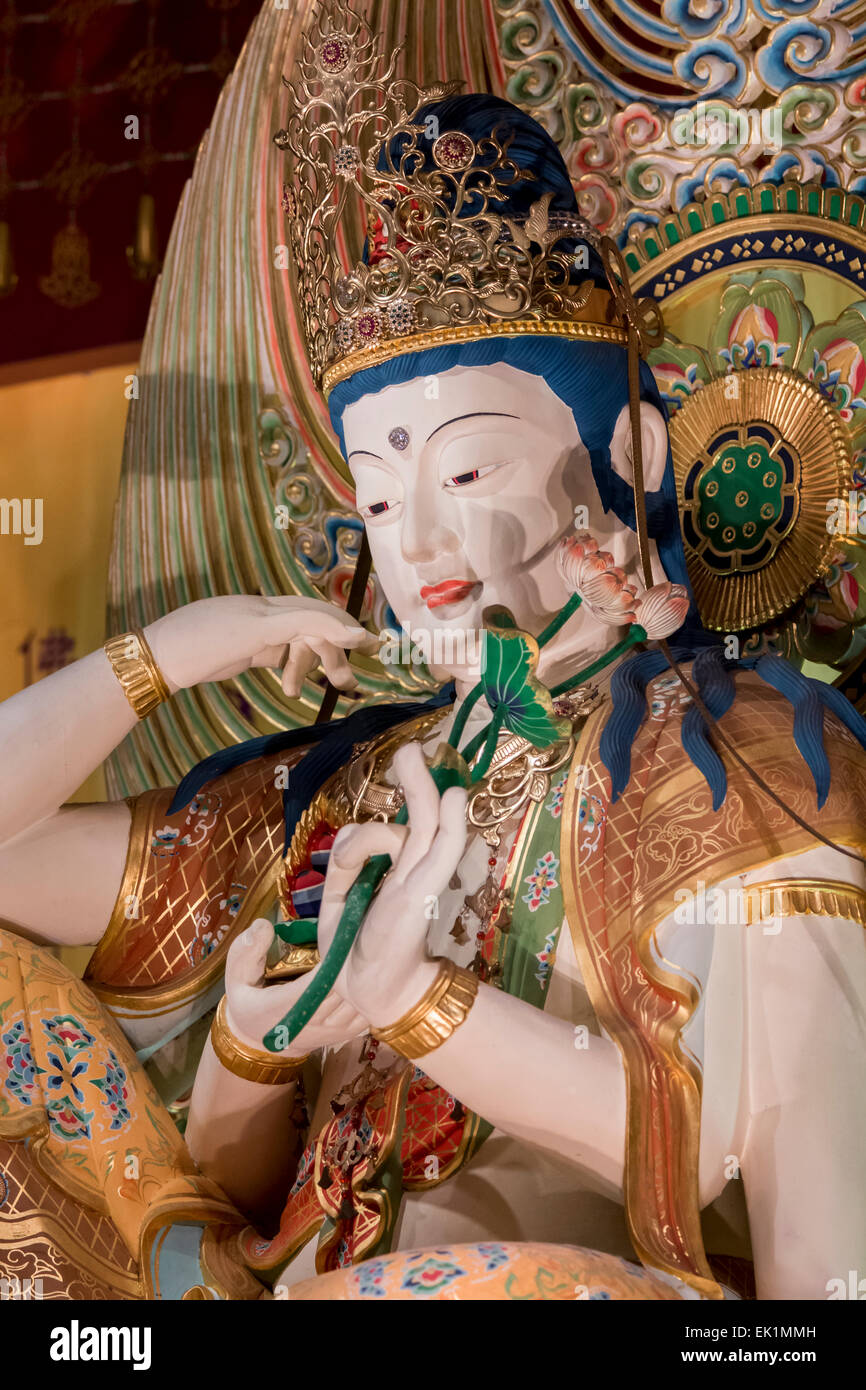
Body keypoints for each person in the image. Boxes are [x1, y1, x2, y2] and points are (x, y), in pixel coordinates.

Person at [2, 9, 865, 1302]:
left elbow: (764, 1180)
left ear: (627, 453)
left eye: (467, 466)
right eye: (383, 495)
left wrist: (416, 997)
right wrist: (162, 659)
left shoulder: (729, 758)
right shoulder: (334, 790)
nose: (422, 534)